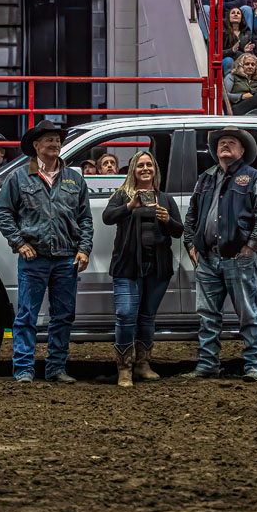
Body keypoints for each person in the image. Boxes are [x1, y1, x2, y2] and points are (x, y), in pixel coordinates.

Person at [0, 120, 93, 383]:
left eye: (57, 140)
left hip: (66, 257)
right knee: (27, 314)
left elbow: (85, 218)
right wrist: (19, 243)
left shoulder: (74, 179)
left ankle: (56, 367)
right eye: (49, 140)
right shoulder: (19, 177)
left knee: (63, 316)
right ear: (36, 145)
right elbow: (1, 212)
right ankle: (24, 369)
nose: (55, 144)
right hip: (34, 257)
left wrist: (84, 249)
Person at [182, 126, 257, 382]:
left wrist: (251, 247)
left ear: (242, 150)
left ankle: (255, 365)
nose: (225, 145)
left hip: (238, 258)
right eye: (221, 142)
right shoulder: (205, 179)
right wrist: (191, 245)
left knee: (248, 315)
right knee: (207, 317)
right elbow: (191, 216)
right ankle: (207, 365)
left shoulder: (254, 178)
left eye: (232, 142)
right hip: (208, 258)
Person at [102, 151, 183, 387]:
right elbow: (107, 217)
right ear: (133, 170)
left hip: (158, 268)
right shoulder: (122, 195)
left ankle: (143, 364)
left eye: (149, 165)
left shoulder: (166, 199)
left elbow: (178, 231)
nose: (145, 169)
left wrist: (168, 219)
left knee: (147, 317)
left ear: (155, 169)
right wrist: (130, 205)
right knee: (126, 315)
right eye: (140, 165)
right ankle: (124, 369)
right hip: (127, 266)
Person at [222, 7, 255, 75]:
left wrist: (247, 51)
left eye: (238, 13)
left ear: (241, 17)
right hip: (228, 60)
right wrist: (232, 50)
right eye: (233, 13)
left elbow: (251, 55)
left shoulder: (247, 33)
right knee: (228, 61)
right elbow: (218, 52)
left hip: (243, 60)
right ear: (228, 17)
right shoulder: (222, 32)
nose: (236, 14)